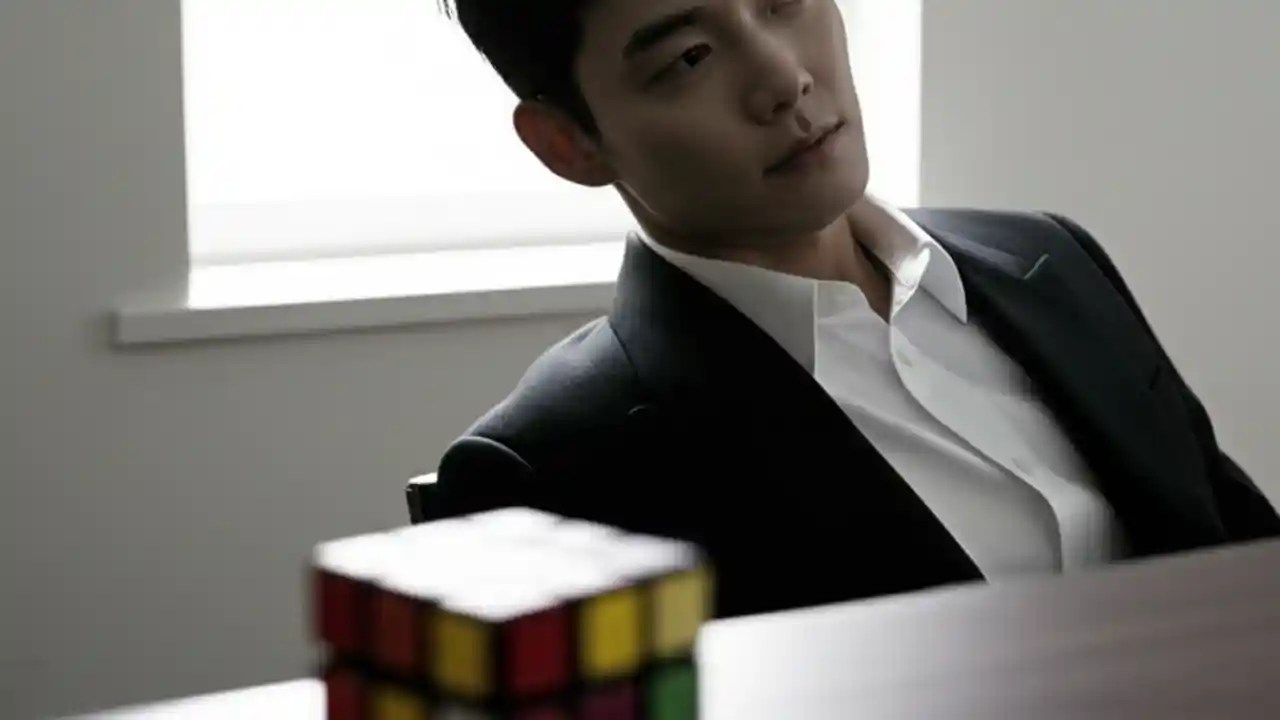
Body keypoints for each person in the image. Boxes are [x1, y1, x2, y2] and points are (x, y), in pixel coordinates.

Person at [423, 0, 1280, 618]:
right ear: (569, 144)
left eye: (781, 3)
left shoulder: (1049, 260)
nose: (782, 78)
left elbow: (1248, 561)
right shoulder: (547, 474)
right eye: (690, 56)